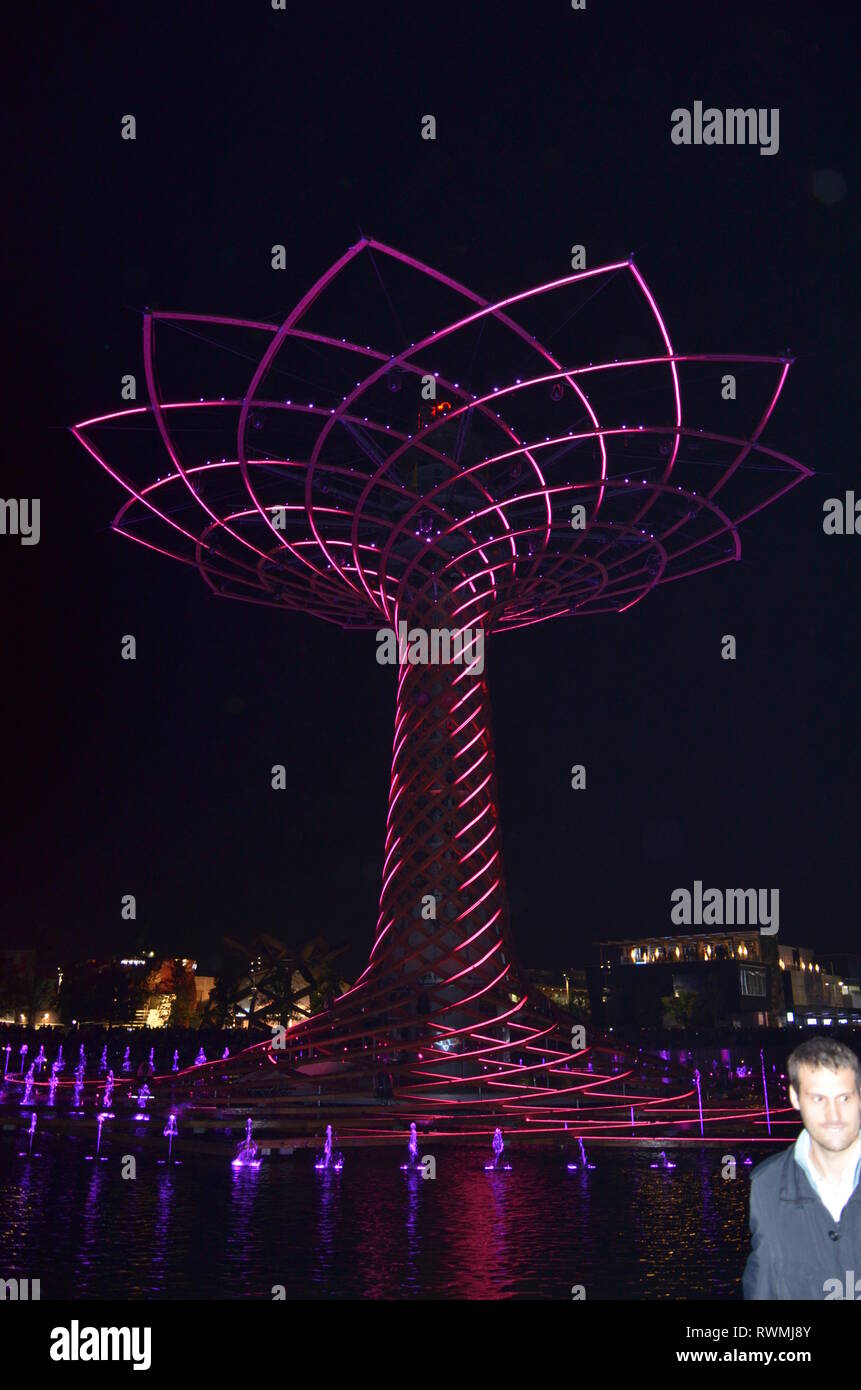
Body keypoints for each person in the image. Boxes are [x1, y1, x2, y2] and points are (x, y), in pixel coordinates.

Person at [743, 1036, 861, 1299]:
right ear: (795, 1098)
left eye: (843, 1098)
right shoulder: (766, 1185)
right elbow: (763, 1288)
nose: (834, 1116)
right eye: (819, 1099)